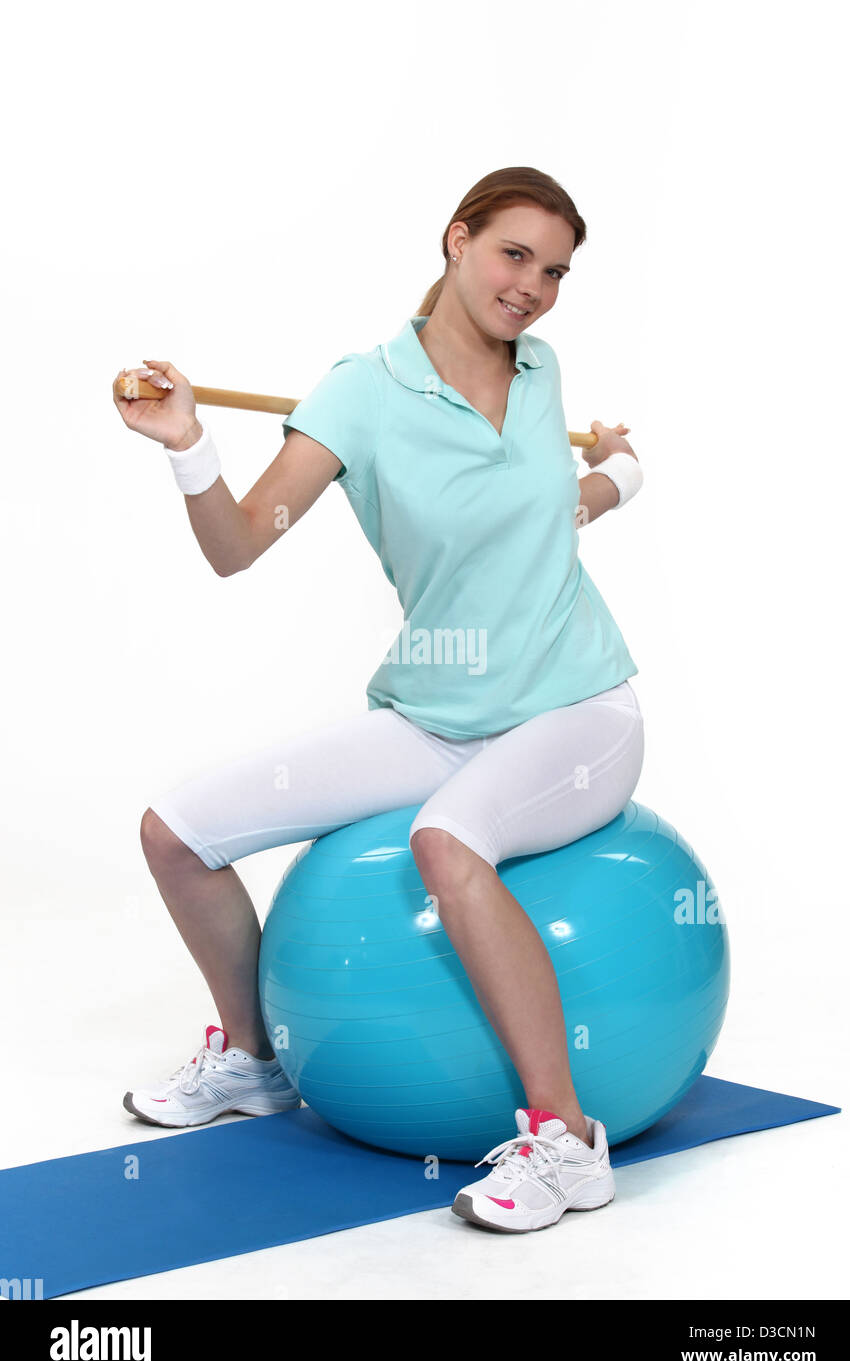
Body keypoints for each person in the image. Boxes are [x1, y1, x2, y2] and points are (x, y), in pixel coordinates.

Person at [113, 166, 645, 1234]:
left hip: (579, 710)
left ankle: (566, 1142)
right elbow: (236, 547)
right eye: (513, 255)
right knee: (176, 832)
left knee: (446, 843)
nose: (531, 287)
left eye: (554, 271)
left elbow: (547, 510)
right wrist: (188, 447)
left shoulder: (541, 372)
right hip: (436, 716)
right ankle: (256, 1061)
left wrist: (621, 470)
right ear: (455, 240)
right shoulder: (359, 392)